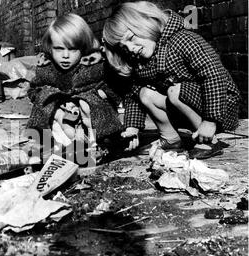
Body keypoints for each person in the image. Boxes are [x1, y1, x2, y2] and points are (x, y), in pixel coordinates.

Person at [102, 1, 241, 159]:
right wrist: (132, 127)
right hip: (190, 108)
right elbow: (133, 94)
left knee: (175, 91)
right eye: (123, 47)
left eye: (131, 38)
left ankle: (209, 141)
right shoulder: (141, 60)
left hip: (221, 106)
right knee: (145, 94)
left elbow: (214, 75)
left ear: (147, 22)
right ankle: (171, 139)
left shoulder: (183, 40)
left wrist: (210, 121)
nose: (130, 48)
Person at [26, 13, 123, 162]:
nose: (65, 55)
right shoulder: (47, 69)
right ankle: (61, 146)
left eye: (72, 49)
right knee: (47, 100)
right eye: (59, 49)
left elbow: (113, 82)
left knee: (87, 104)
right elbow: (33, 89)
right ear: (50, 48)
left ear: (83, 47)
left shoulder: (91, 66)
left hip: (88, 116)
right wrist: (52, 100)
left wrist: (103, 94)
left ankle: (96, 145)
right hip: (61, 116)